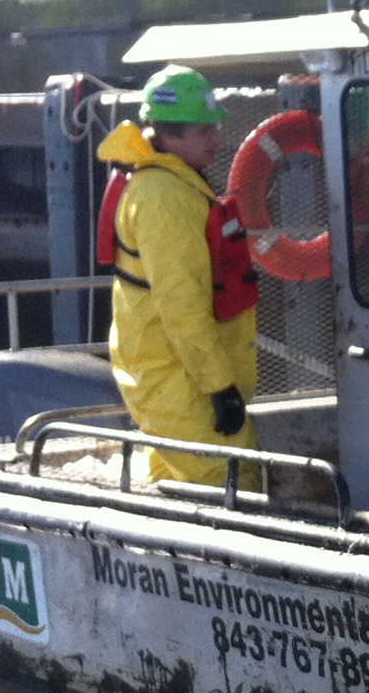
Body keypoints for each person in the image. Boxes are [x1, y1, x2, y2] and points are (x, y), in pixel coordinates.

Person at [95, 65, 261, 490]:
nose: (217, 139)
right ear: (170, 137)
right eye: (203, 130)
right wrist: (219, 387)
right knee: (231, 480)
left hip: (165, 369)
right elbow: (181, 304)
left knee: (175, 484)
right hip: (180, 378)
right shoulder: (164, 198)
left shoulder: (168, 182)